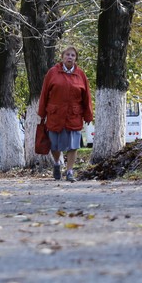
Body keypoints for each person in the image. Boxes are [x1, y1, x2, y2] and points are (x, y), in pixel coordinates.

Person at [37, 46, 94, 182]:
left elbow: (87, 96)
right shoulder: (52, 73)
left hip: (73, 115)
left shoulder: (81, 75)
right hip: (55, 115)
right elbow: (44, 93)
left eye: (73, 55)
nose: (70, 57)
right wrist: (41, 113)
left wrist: (88, 114)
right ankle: (57, 164)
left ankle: (69, 171)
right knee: (54, 145)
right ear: (62, 57)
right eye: (67, 55)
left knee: (73, 145)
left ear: (76, 58)